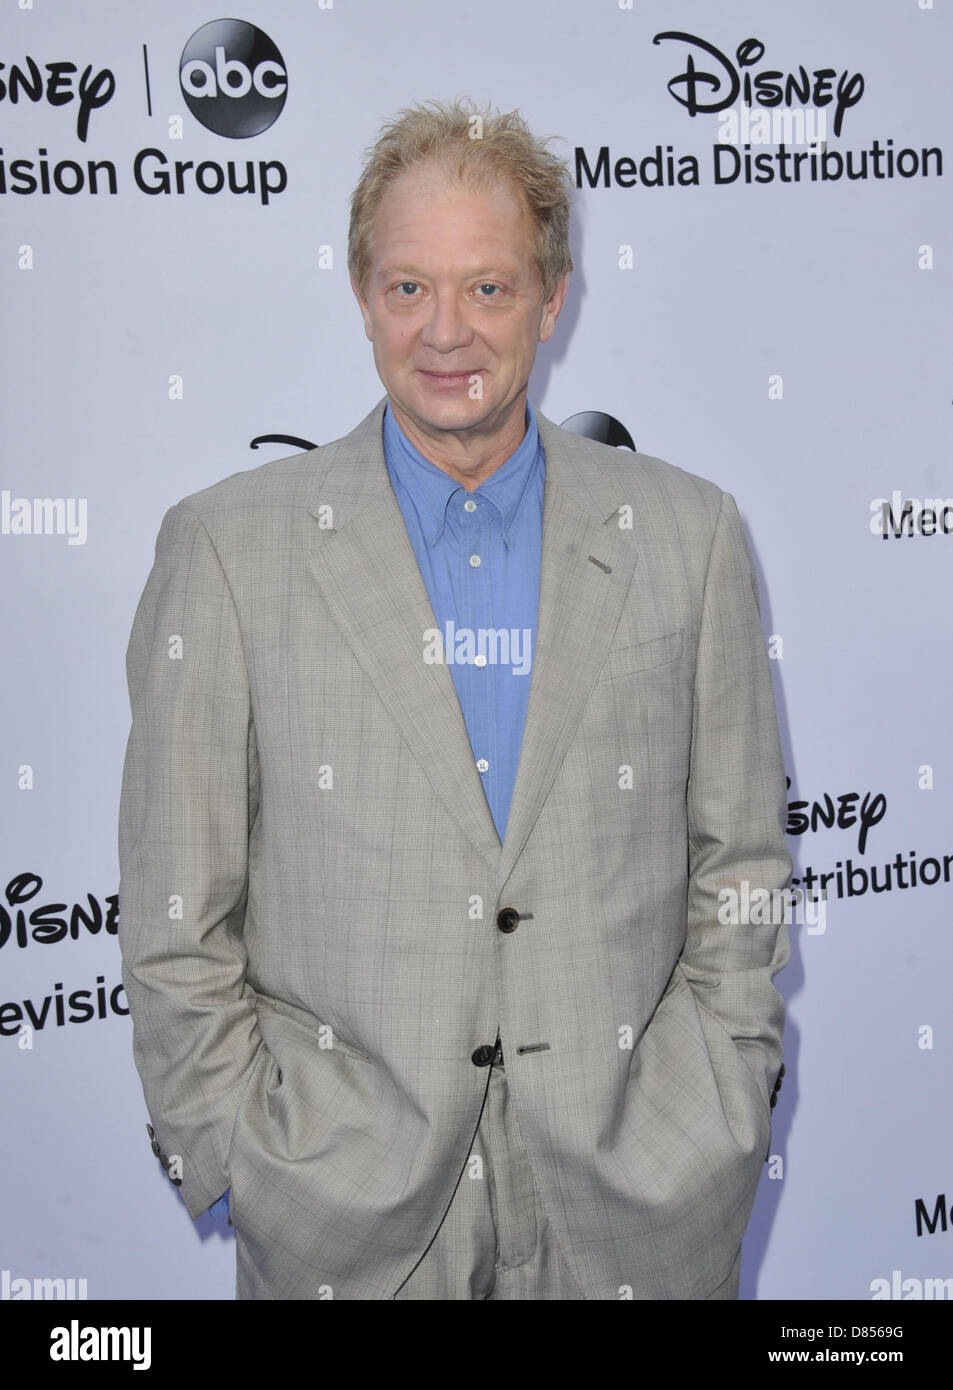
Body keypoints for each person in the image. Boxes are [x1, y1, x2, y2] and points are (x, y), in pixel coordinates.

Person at [118, 98, 791, 1301]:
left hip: (636, 1200)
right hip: (346, 1214)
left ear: (551, 297)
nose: (446, 332)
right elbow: (178, 912)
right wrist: (235, 1148)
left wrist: (721, 1105)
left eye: (486, 288)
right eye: (407, 288)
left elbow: (738, 858)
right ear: (361, 294)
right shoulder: (227, 551)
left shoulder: (686, 535)